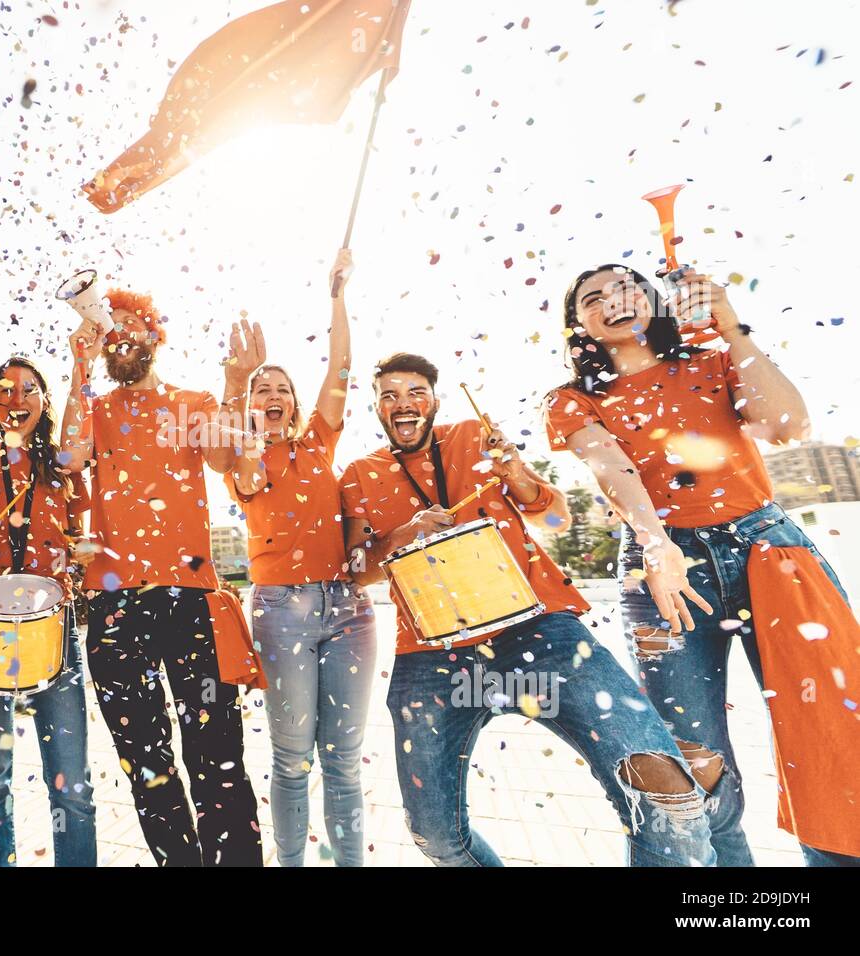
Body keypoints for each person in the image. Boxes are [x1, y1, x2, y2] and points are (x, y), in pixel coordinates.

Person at [341, 352, 717, 867]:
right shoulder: (359, 473)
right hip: (433, 654)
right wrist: (401, 536)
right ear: (377, 407)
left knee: (667, 793)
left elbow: (557, 519)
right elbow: (358, 569)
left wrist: (516, 472)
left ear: (434, 400)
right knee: (435, 836)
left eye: (415, 393)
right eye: (389, 395)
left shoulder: (474, 435)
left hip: (540, 630)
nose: (403, 403)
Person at [544, 264, 859, 866]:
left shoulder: (714, 361)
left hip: (769, 548)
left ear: (654, 299)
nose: (613, 301)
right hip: (660, 570)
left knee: (832, 729)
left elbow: (787, 426)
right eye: (592, 299)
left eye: (626, 287)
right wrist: (656, 542)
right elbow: (613, 468)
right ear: (577, 326)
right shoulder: (572, 400)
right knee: (695, 760)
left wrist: (733, 328)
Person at [58, 289, 264, 866]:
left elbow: (222, 459)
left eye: (131, 325)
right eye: (110, 327)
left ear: (154, 336)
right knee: (148, 768)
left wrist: (237, 384)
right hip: (114, 608)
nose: (120, 335)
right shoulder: (96, 408)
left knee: (217, 756)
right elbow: (70, 457)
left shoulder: (191, 402)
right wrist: (77, 366)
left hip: (190, 601)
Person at [225, 249, 375, 867]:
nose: (275, 395)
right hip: (280, 611)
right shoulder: (241, 453)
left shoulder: (318, 442)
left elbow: (341, 365)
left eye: (283, 389)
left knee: (344, 761)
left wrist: (337, 296)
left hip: (349, 610)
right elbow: (247, 475)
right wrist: (243, 402)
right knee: (292, 760)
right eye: (264, 389)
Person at [0, 355, 97, 867]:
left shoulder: (64, 466)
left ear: (44, 400)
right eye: (4, 390)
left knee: (72, 785)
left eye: (27, 389)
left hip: (55, 626)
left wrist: (82, 553)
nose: (15, 400)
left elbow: (80, 537)